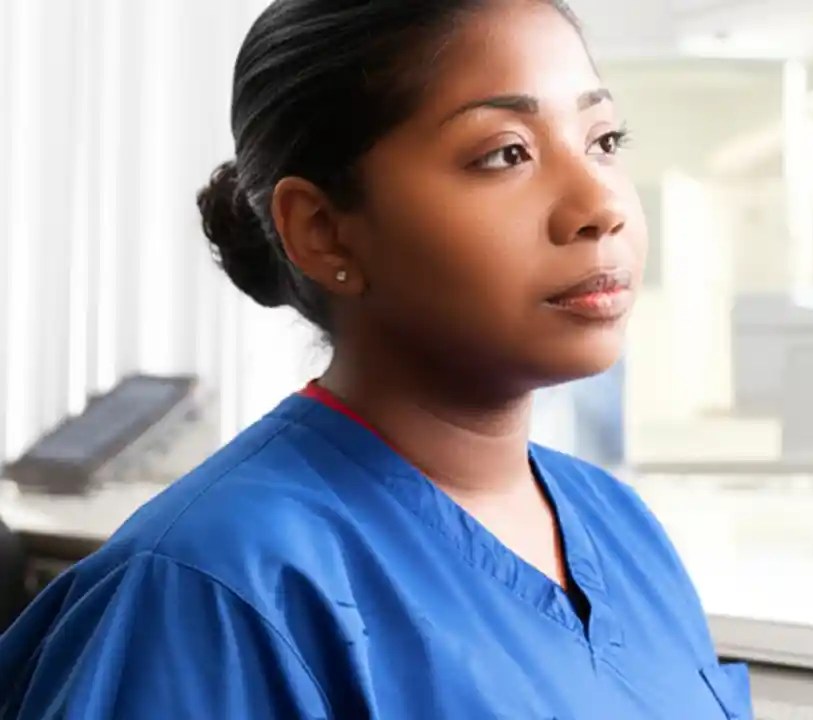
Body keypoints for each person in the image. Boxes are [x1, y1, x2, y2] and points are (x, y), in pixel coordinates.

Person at [0, 1, 753, 718]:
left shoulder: (622, 528)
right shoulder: (216, 586)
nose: (601, 203)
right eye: (505, 154)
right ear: (324, 232)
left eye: (604, 141)